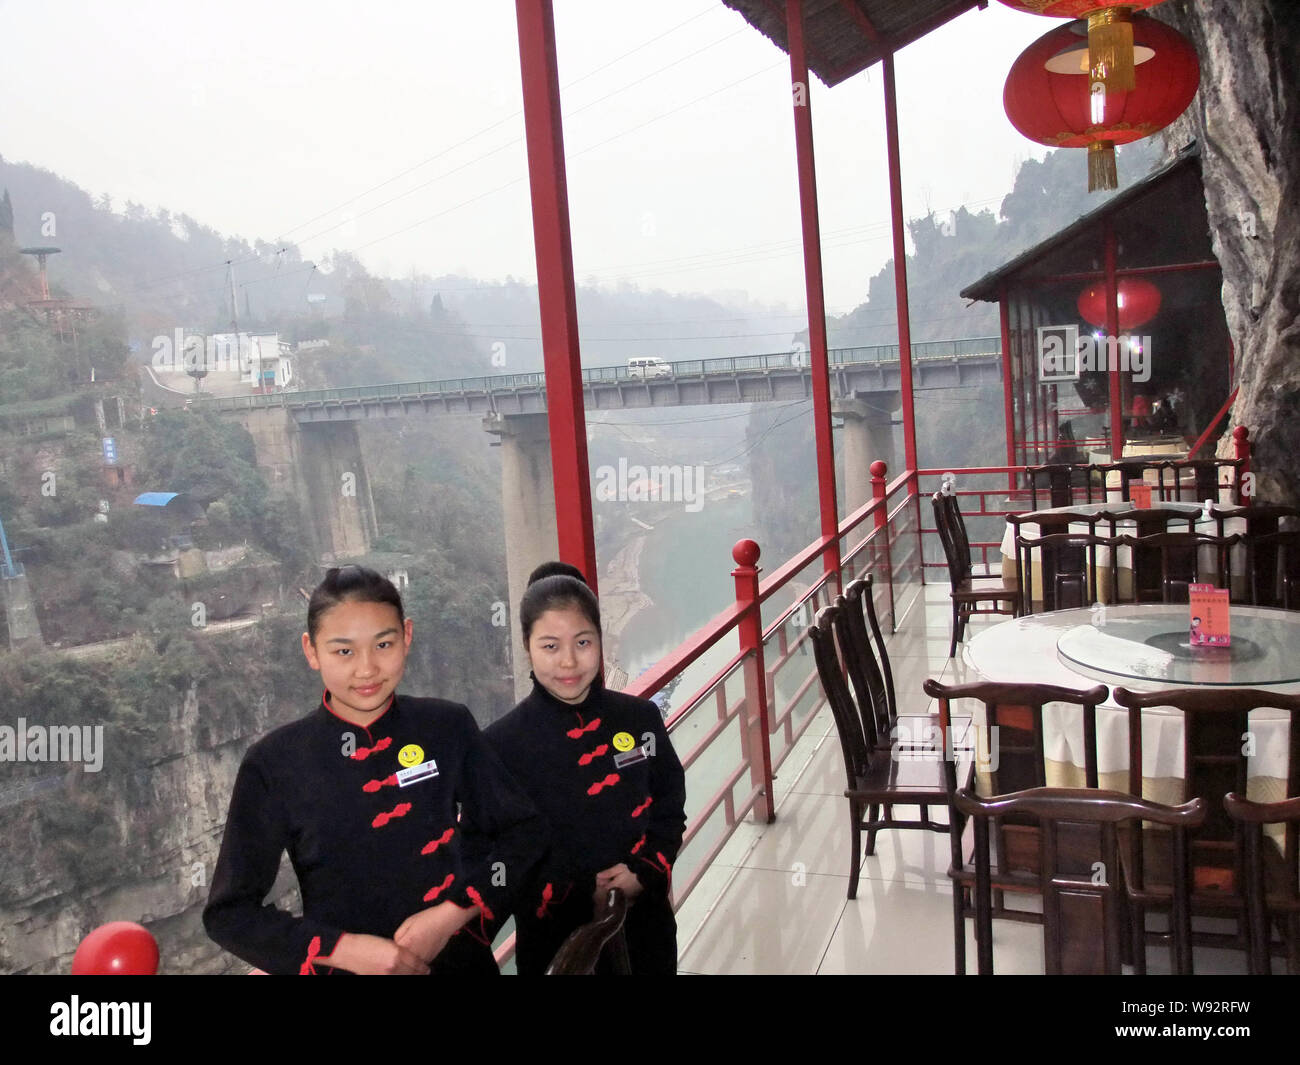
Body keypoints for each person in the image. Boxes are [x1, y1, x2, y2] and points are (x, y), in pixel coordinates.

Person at [203, 565, 546, 975]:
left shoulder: (446, 727)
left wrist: (454, 912)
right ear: (311, 651)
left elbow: (524, 835)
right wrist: (342, 949)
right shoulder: (274, 764)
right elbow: (229, 914)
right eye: (343, 651)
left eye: (384, 644)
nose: (366, 669)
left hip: (460, 962)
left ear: (408, 637)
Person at [485, 571, 687, 974]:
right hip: (553, 943)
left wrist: (642, 873)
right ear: (527, 647)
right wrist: (579, 892)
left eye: (583, 642)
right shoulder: (501, 746)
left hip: (644, 927)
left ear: (600, 638)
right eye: (549, 646)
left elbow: (669, 808)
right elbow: (500, 859)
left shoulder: (639, 719)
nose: (569, 662)